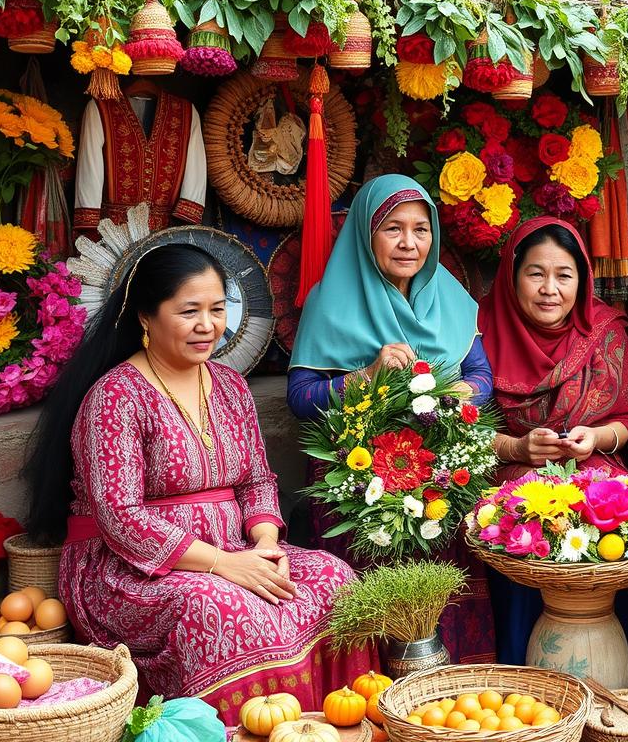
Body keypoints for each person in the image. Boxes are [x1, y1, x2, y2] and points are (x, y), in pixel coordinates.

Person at [22, 243, 372, 724]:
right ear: (146, 315)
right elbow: (120, 517)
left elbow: (256, 480)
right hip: (131, 572)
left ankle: (336, 727)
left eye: (217, 309)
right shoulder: (115, 398)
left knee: (336, 581)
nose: (208, 325)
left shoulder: (230, 385)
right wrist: (224, 565)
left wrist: (266, 545)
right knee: (220, 608)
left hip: (235, 549)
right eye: (190, 311)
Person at [286, 174, 497, 665]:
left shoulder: (452, 299)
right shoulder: (329, 302)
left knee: (448, 586)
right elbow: (300, 399)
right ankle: (368, 688)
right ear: (366, 234)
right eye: (393, 229)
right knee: (375, 598)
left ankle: (455, 689)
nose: (409, 243)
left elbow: (482, 375)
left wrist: (465, 391)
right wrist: (366, 375)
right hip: (358, 475)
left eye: (421, 229)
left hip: (442, 469)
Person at [478, 217, 628, 664]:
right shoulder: (480, 332)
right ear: (513, 276)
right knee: (516, 516)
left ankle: (606, 657)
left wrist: (595, 438)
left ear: (582, 279)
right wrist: (516, 448)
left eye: (564, 275)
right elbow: (463, 428)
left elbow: (627, 417)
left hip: (591, 463)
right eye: (536, 273)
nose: (550, 288)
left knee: (608, 506)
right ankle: (520, 660)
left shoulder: (604, 331)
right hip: (508, 466)